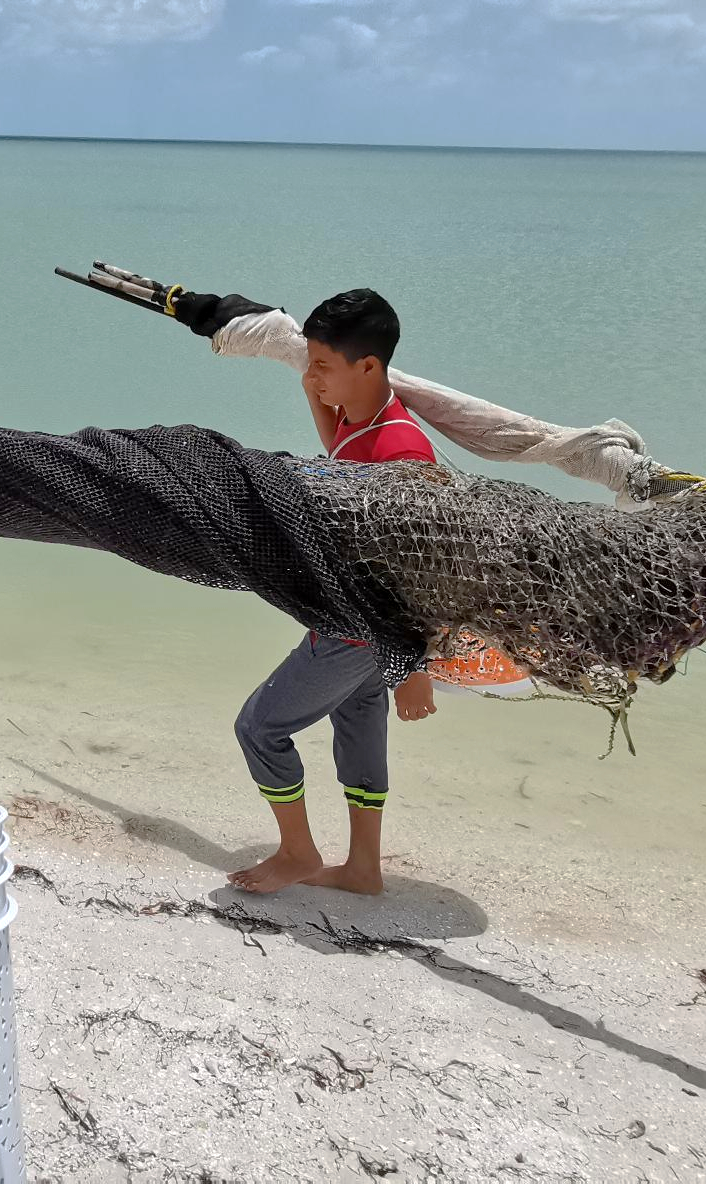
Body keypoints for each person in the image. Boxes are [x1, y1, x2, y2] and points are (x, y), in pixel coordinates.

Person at [175, 287, 441, 896]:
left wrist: (414, 667)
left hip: (363, 629)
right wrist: (316, 394)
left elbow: (422, 569)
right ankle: (363, 869)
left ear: (368, 367)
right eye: (308, 364)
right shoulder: (363, 419)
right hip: (365, 627)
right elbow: (343, 448)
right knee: (357, 720)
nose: (312, 376)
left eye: (321, 366)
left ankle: (296, 852)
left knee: (260, 728)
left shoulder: (404, 454)